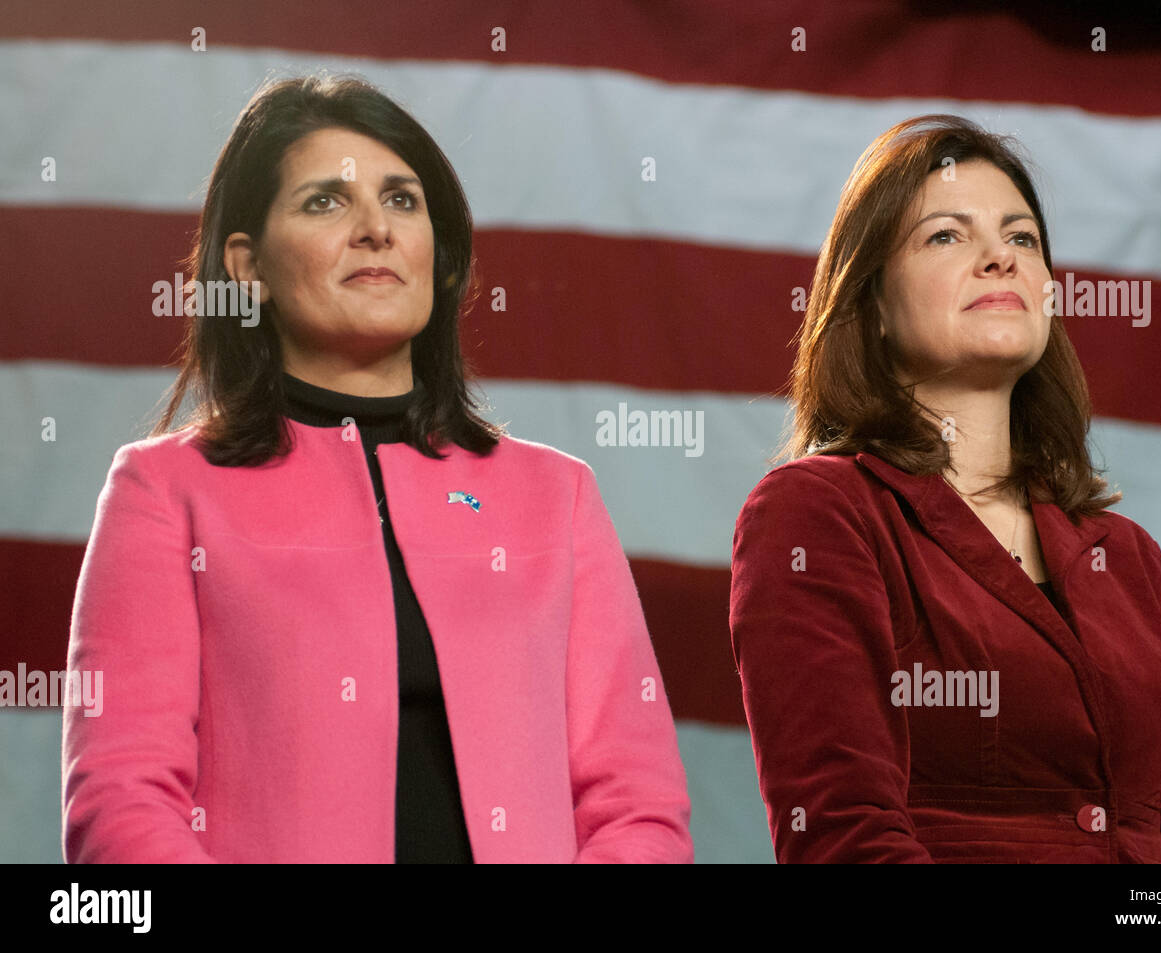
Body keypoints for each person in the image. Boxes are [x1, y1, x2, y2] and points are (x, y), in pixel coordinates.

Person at [62, 74, 693, 864]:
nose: (375, 230)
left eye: (402, 200)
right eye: (326, 201)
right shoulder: (163, 492)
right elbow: (121, 806)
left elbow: (638, 809)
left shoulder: (557, 496)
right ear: (246, 265)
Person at [729, 114, 1161, 864]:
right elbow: (845, 835)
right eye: (947, 236)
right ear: (873, 306)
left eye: (1022, 238)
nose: (999, 259)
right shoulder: (817, 512)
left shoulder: (1130, 557)